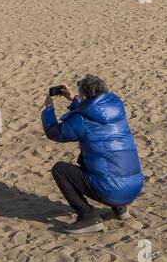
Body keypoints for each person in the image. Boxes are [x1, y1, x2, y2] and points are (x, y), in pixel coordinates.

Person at [42, 75, 144, 234]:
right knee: (101, 155)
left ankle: (87, 217)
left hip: (111, 190)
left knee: (60, 169)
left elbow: (54, 133)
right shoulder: (116, 109)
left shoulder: (82, 119)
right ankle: (120, 209)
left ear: (85, 95)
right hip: (134, 187)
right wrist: (73, 99)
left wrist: (48, 110)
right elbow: (94, 111)